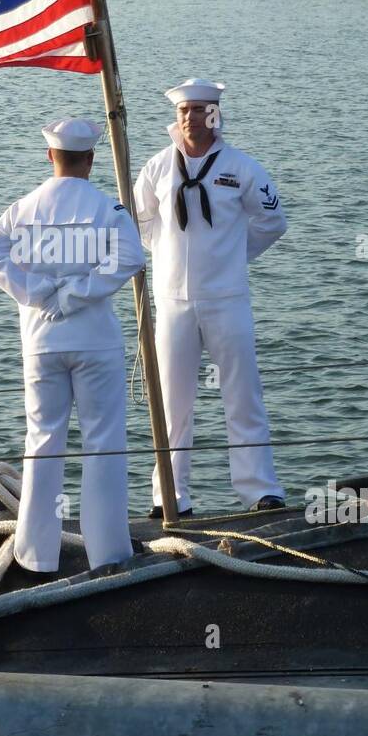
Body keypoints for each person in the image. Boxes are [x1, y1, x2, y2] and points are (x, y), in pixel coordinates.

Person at [0, 119, 145, 573]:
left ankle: (35, 555)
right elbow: (132, 257)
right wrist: (76, 293)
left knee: (43, 441)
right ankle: (107, 551)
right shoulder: (108, 208)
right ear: (90, 158)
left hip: (41, 341)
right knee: (103, 441)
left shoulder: (23, 208)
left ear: (51, 156)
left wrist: (35, 293)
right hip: (95, 342)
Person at [134, 80, 287, 518]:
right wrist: (166, 255)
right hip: (173, 303)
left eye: (199, 110)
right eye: (184, 110)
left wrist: (235, 256)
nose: (190, 118)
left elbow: (273, 222)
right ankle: (170, 495)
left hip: (227, 298)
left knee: (242, 394)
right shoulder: (158, 168)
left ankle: (260, 490)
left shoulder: (242, 168)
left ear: (215, 116)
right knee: (171, 402)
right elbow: (141, 222)